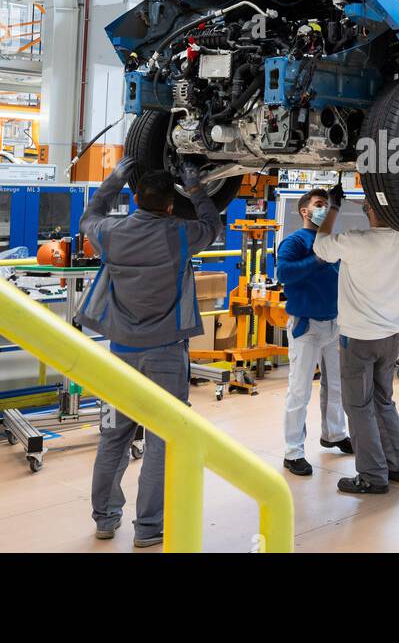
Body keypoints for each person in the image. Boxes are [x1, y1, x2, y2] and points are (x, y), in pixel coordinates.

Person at [77, 156, 222, 547]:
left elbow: (89, 216)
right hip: (165, 355)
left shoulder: (111, 233)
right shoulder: (178, 235)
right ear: (170, 206)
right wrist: (195, 187)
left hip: (120, 354)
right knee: (161, 440)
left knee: (112, 437)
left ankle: (105, 520)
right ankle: (148, 529)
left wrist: (111, 182)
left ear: (136, 197)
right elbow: (212, 225)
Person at [313, 184, 399, 495]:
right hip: (390, 337)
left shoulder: (354, 241)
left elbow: (321, 247)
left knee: (358, 406)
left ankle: (373, 475)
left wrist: (332, 208)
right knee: (383, 400)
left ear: (371, 211)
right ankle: (398, 465)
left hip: (359, 340)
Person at [276, 188, 352, 476]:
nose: (324, 209)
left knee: (336, 385)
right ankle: (293, 451)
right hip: (305, 326)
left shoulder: (330, 241)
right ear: (304, 211)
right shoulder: (295, 241)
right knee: (299, 390)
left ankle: (334, 433)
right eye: (319, 204)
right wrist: (317, 260)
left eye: (328, 206)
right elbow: (284, 273)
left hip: (333, 323)